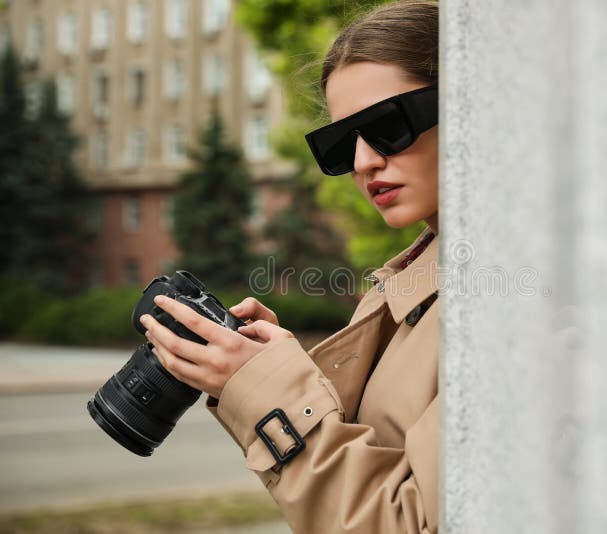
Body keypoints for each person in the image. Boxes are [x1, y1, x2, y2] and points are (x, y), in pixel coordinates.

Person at [138, 1, 441, 532]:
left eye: (387, 126)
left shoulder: (516, 295)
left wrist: (266, 391)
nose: (363, 161)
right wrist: (268, 371)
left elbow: (408, 522)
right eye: (340, 144)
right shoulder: (413, 280)